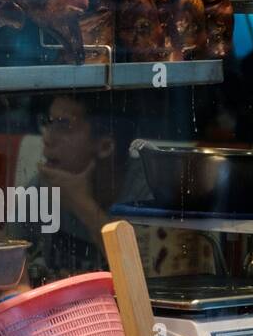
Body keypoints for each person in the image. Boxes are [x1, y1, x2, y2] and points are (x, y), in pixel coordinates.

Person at [20, 92, 216, 282]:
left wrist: (83, 206)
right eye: (47, 122)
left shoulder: (152, 191)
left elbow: (149, 281)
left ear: (105, 146)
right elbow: (10, 270)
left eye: (64, 126)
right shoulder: (42, 188)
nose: (47, 138)